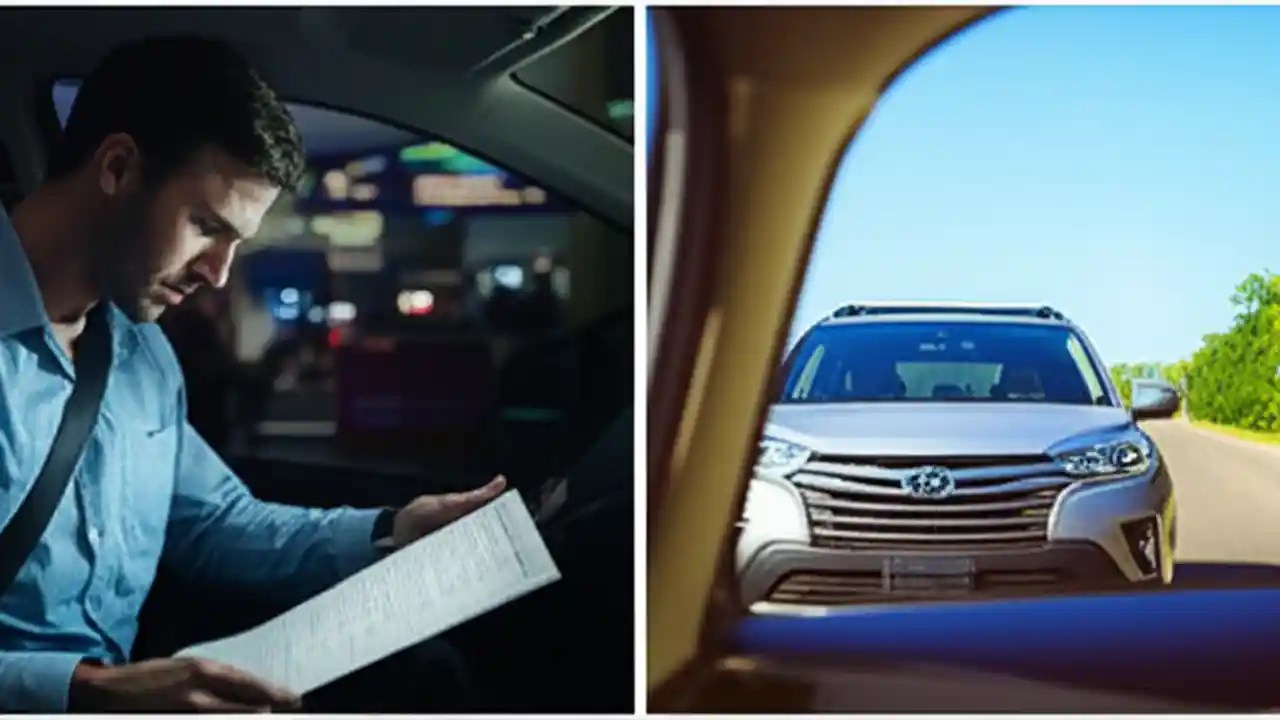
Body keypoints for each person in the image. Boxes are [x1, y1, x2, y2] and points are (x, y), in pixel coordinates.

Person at [0, 35, 506, 712]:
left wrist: (393, 530)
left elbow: (216, 524)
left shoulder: (138, 355)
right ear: (117, 168)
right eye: (205, 226)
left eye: (236, 241)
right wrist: (92, 693)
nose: (218, 273)